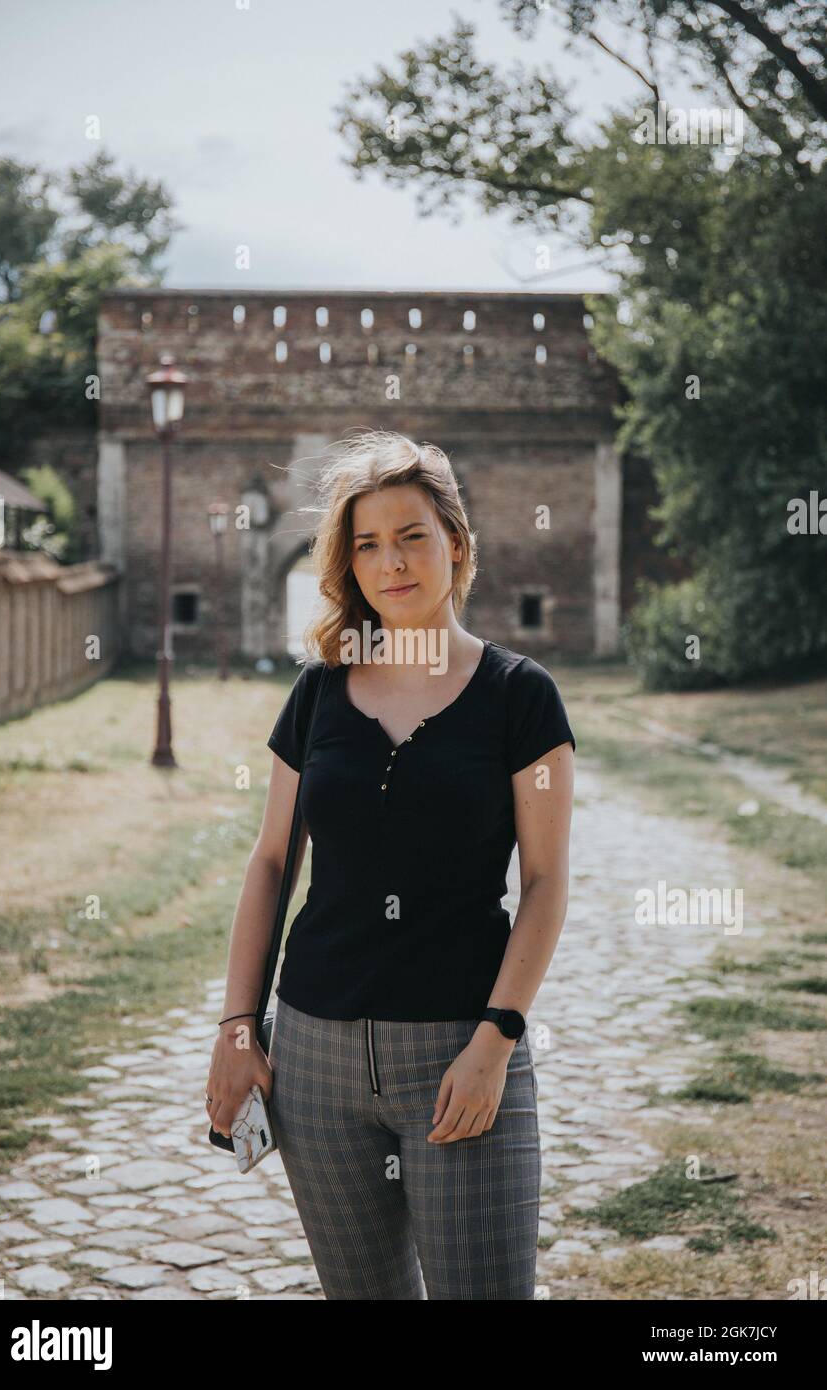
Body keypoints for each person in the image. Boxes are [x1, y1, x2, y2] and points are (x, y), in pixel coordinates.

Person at [206, 429, 575, 1300]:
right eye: (367, 543)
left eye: (412, 535)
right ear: (347, 563)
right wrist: (236, 1028)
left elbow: (549, 881)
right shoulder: (318, 693)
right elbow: (269, 863)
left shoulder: (521, 697)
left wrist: (498, 1038)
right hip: (315, 1056)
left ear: (457, 544)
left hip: (460, 1050)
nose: (392, 561)